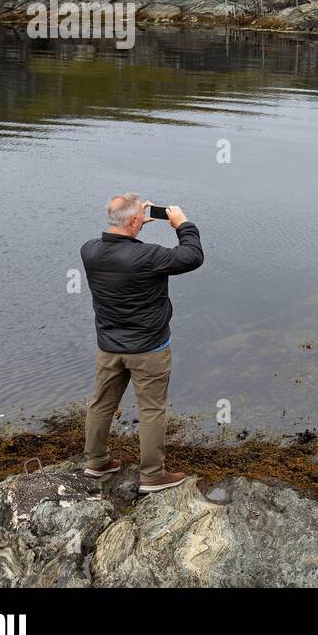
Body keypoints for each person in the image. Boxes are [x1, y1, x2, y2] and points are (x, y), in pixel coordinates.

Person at [81, 193, 204, 493]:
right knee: (151, 410)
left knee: (101, 404)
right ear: (135, 220)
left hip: (109, 346)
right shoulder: (149, 256)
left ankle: (95, 462)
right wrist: (182, 224)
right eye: (138, 218)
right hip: (149, 348)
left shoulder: (89, 251)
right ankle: (152, 476)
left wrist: (133, 227)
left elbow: (121, 251)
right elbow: (192, 256)